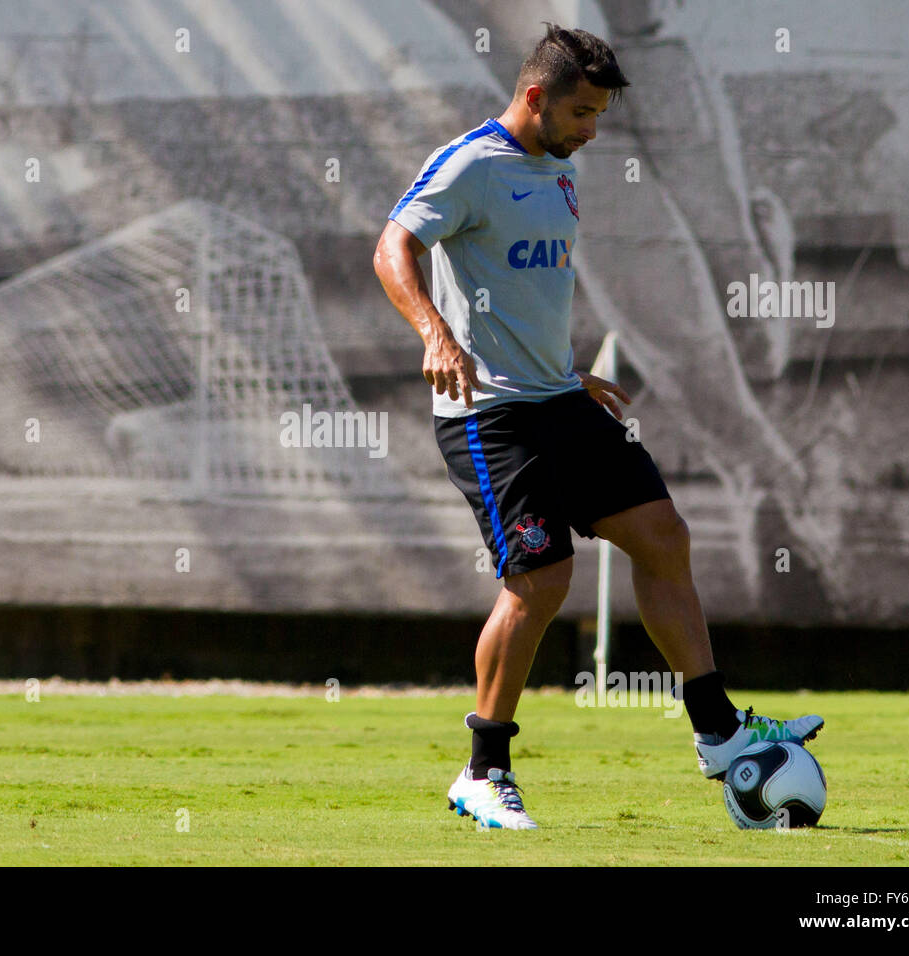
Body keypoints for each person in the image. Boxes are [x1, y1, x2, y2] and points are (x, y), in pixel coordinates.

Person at [372, 22, 822, 829]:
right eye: (581, 114)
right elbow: (393, 246)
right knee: (541, 583)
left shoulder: (561, 173)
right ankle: (483, 769)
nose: (592, 131)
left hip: (558, 400)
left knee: (662, 534)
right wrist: (434, 334)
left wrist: (566, 372)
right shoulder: (471, 164)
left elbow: (522, 292)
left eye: (600, 116)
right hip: (491, 416)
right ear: (536, 96)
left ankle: (718, 733)